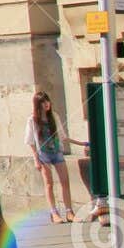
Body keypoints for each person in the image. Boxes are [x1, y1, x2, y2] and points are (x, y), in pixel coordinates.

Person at [25, 90, 84, 223]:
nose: (46, 104)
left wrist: (82, 143)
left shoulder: (54, 116)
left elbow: (63, 136)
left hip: (56, 152)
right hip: (43, 154)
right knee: (49, 184)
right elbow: (30, 141)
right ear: (37, 105)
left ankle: (69, 212)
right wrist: (36, 159)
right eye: (43, 102)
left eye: (47, 101)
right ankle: (54, 213)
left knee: (65, 181)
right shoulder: (32, 120)